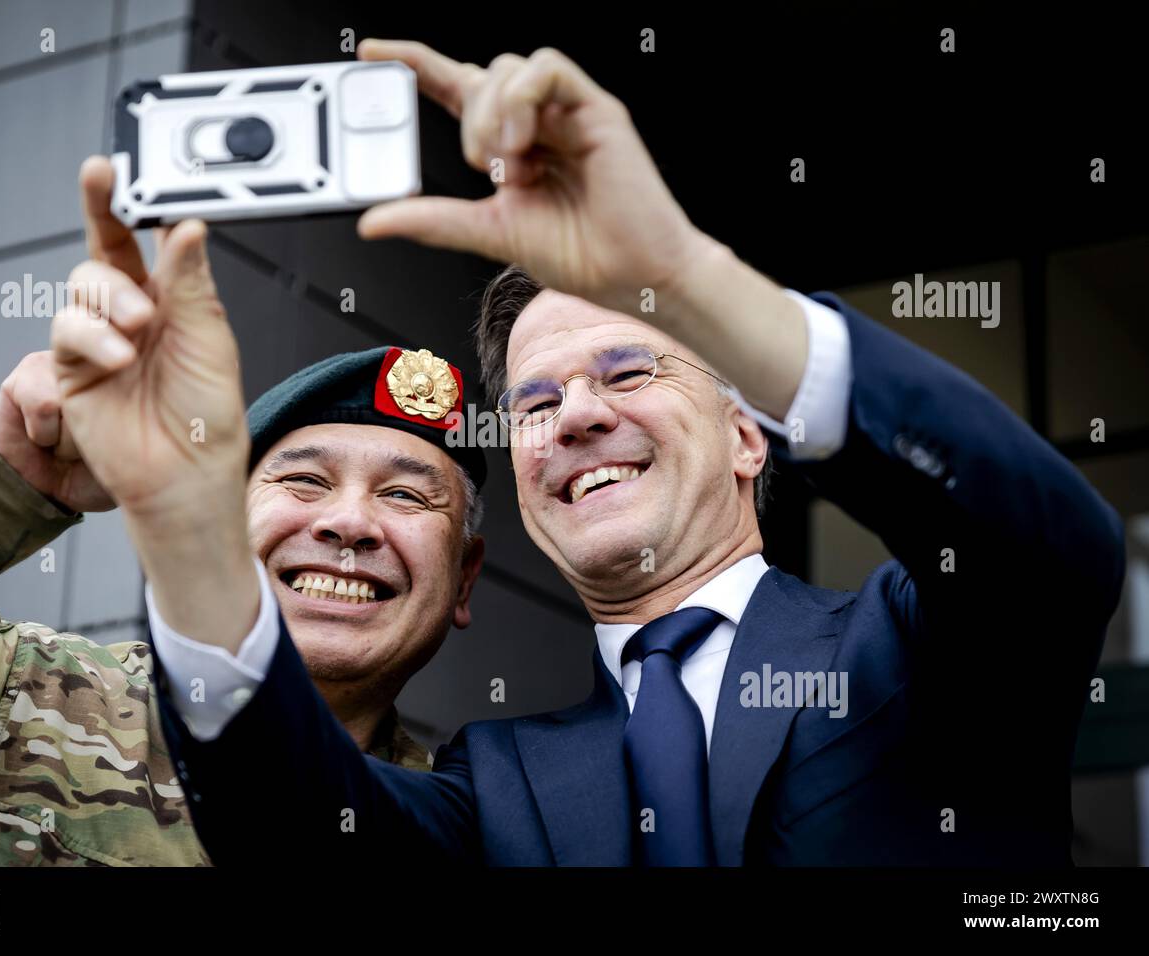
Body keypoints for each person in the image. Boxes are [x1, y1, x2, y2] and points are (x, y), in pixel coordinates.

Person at [78, 40, 1123, 865]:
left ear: (747, 433)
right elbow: (289, 826)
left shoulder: (916, 645)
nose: (574, 415)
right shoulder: (493, 780)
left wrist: (682, 273)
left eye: (628, 373)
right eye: (532, 402)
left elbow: (1048, 541)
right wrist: (185, 523)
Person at [0, 158, 486, 865]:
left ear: (464, 578)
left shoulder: (469, 833)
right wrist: (5, 484)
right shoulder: (6, 692)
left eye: (404, 495)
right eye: (303, 480)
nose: (348, 523)